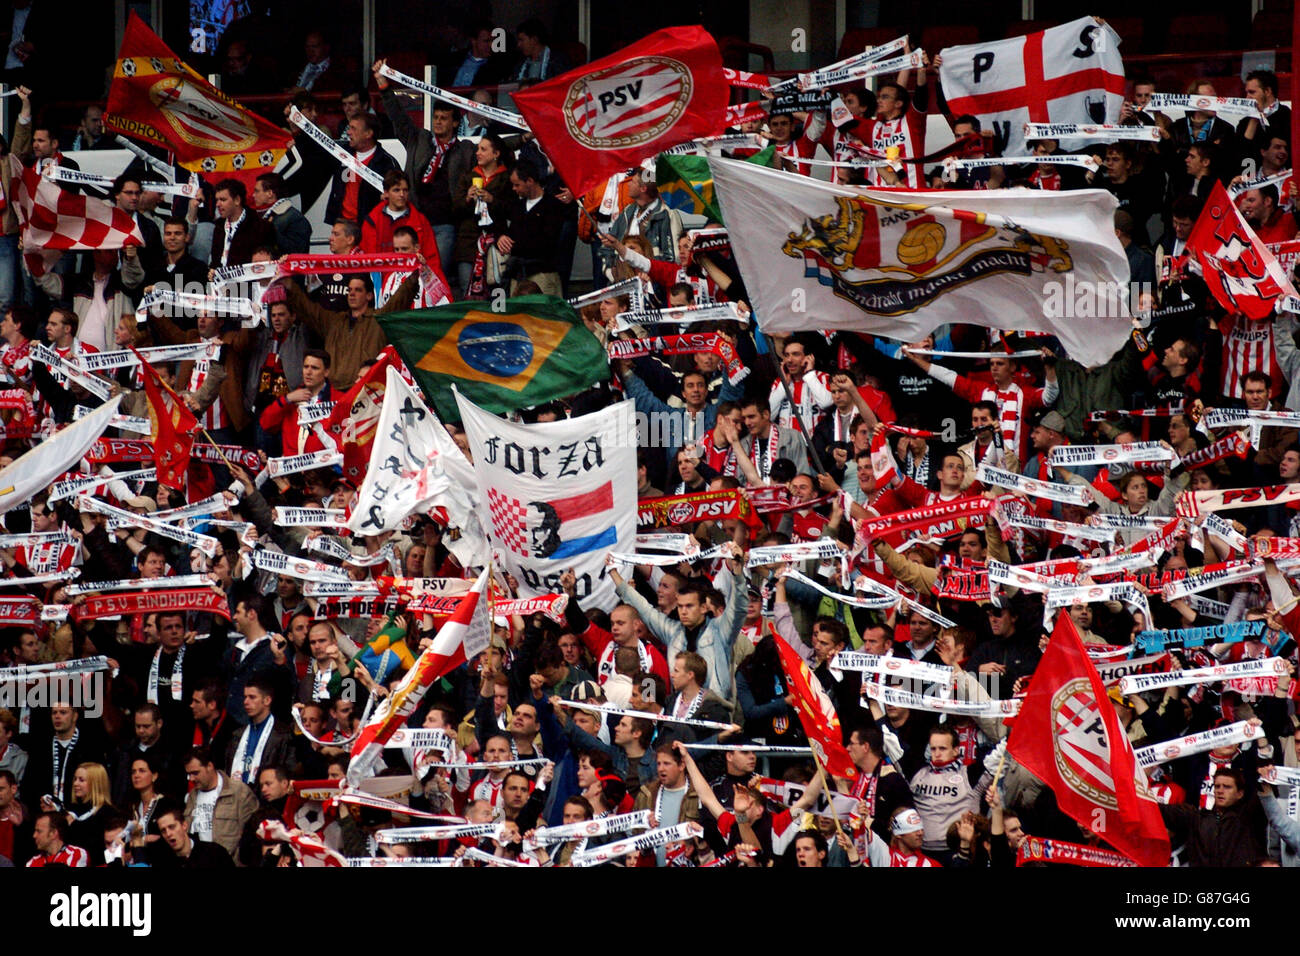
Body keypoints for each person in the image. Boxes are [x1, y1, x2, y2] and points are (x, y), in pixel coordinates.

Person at [323, 114, 400, 228]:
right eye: (349, 128)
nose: (348, 132)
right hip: (343, 227)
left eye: (353, 128)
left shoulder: (386, 163)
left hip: (370, 228)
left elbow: (398, 197)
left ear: (368, 133)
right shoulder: (342, 153)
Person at [182, 746, 258, 861]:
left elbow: (251, 835)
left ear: (210, 766)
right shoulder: (192, 796)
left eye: (195, 773)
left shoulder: (239, 792)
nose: (191, 778)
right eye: (189, 774)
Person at [208, 179, 275, 270]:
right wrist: (213, 271)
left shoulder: (260, 227)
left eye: (223, 200)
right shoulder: (219, 226)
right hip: (219, 282)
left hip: (246, 282)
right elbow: (215, 261)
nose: (218, 204)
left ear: (237, 200)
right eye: (217, 200)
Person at [151, 802, 235, 868]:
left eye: (172, 827)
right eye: (163, 831)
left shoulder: (215, 853)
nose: (168, 834)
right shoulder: (162, 862)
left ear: (184, 825)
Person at [253, 172, 312, 255]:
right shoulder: (257, 216)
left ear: (270, 193)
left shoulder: (296, 219)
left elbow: (297, 252)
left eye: (257, 191)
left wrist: (271, 230)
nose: (253, 195)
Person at [25, 811, 90, 867]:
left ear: (53, 833)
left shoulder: (77, 854)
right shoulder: (32, 863)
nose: (34, 835)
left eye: (39, 831)